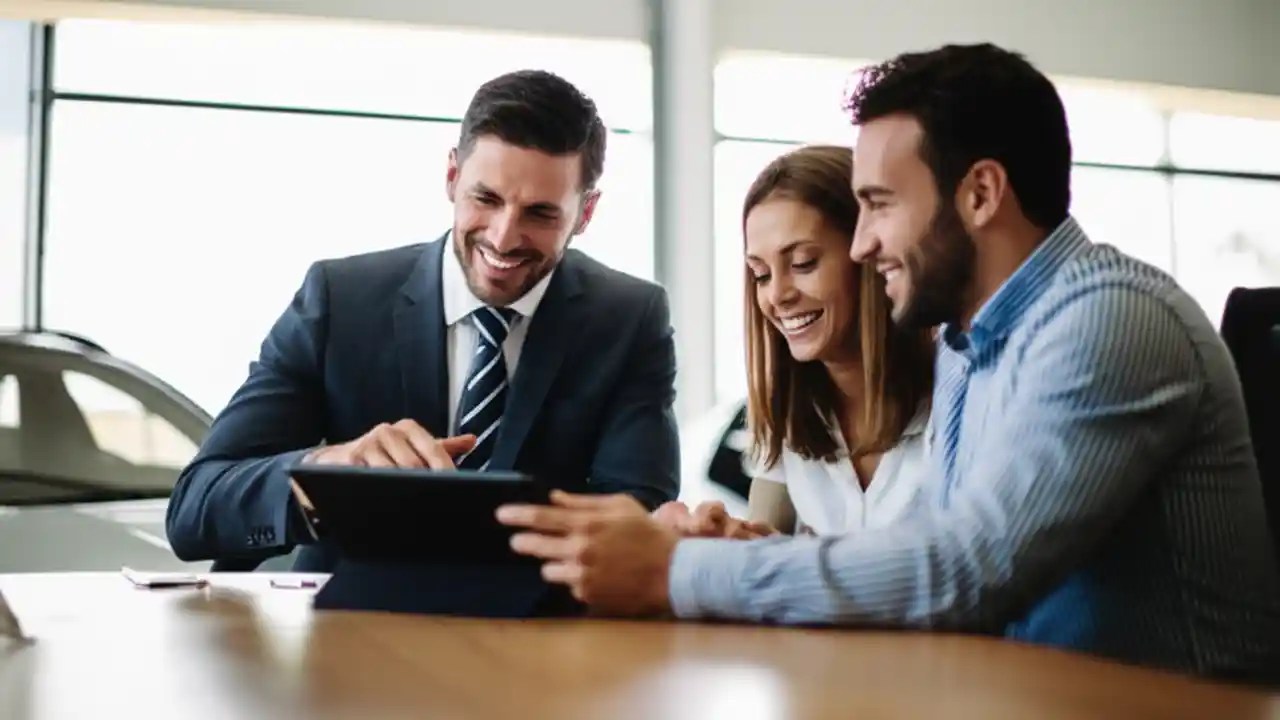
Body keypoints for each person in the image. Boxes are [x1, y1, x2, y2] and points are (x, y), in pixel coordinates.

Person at [497, 44, 1280, 683]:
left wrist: (673, 572)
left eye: (879, 204)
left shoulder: (1106, 319)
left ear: (979, 194)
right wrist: (750, 553)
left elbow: (967, 571)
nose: (865, 244)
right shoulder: (976, 350)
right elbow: (923, 558)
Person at [166, 69, 680, 573]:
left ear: (585, 214)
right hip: (352, 636)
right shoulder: (341, 301)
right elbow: (195, 508)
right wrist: (328, 473)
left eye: (540, 214)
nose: (503, 238)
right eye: (486, 198)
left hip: (540, 635)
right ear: (453, 177)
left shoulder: (629, 319)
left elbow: (636, 514)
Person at [654, 145, 933, 539]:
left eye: (803, 263)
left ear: (871, 256)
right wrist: (722, 541)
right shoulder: (790, 413)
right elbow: (765, 549)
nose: (778, 295)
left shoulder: (956, 399)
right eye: (762, 274)